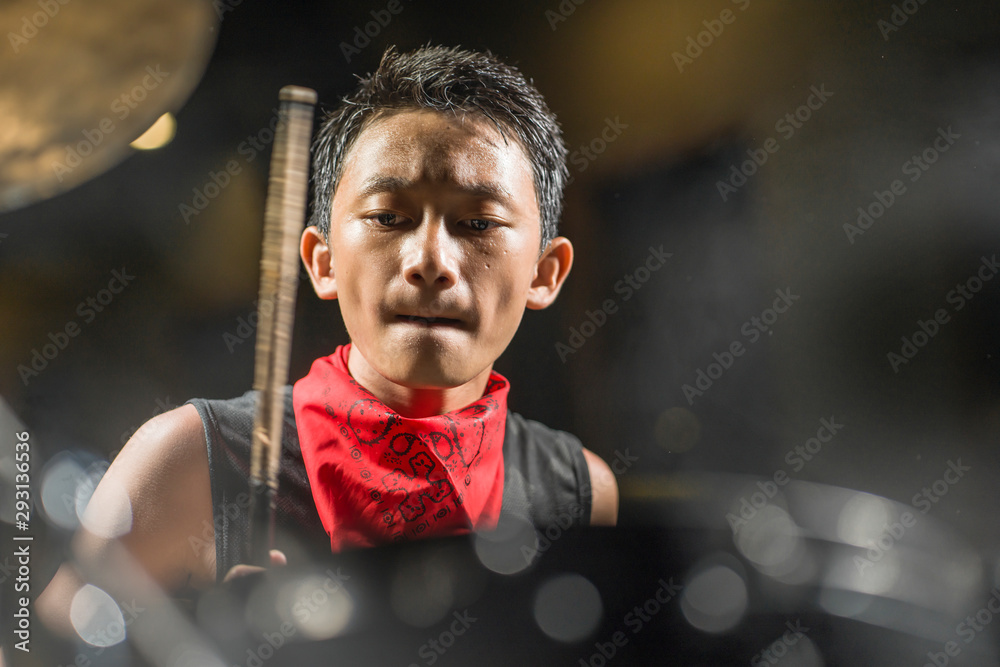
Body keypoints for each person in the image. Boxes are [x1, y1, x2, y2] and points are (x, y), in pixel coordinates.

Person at [36, 44, 618, 637]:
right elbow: (44, 654)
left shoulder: (577, 491)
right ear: (322, 262)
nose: (430, 261)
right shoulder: (188, 459)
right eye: (389, 217)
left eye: (479, 223)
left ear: (546, 273)